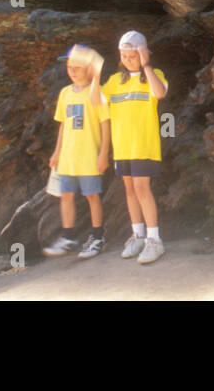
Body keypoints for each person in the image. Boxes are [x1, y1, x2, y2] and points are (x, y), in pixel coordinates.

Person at [91, 30, 168, 264]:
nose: (128, 59)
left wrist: (145, 65)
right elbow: (96, 101)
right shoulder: (115, 81)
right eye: (124, 55)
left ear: (143, 53)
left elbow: (160, 93)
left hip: (144, 146)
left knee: (142, 188)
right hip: (122, 148)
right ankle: (137, 235)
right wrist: (94, 75)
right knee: (130, 190)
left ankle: (154, 240)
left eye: (133, 55)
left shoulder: (154, 75)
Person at [44, 44, 110, 259]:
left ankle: (98, 237)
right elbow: (63, 125)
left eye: (78, 67)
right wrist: (56, 152)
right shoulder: (65, 93)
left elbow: (105, 124)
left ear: (88, 69)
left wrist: (103, 154)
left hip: (90, 156)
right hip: (68, 158)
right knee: (66, 196)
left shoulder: (96, 93)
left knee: (92, 195)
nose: (72, 71)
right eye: (70, 67)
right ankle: (69, 237)